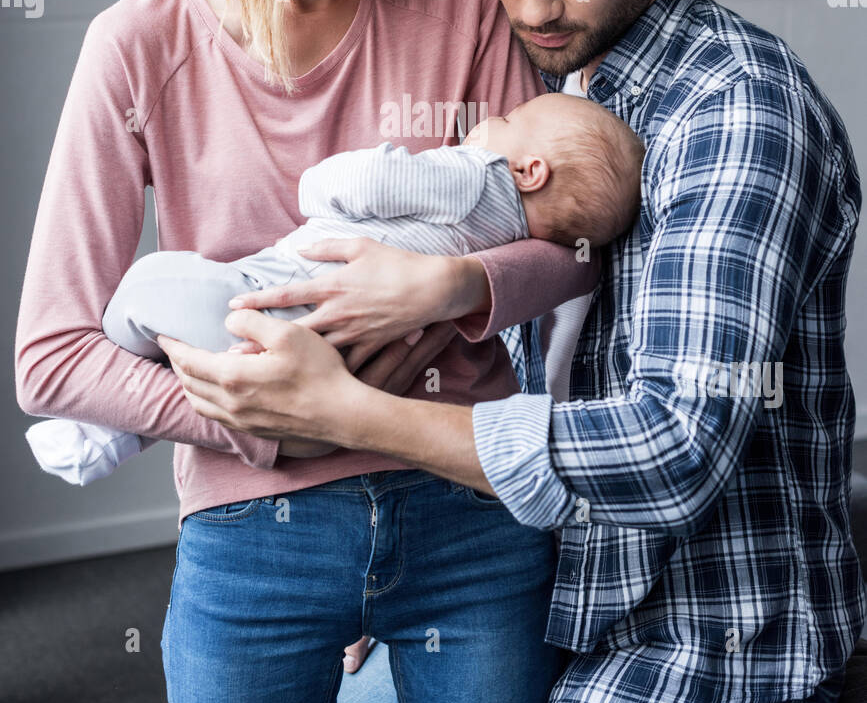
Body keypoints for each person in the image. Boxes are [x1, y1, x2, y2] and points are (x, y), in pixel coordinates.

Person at [158, 0, 865, 703]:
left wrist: (345, 416)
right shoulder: (544, 89)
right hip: (526, 607)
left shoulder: (740, 110)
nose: (531, 8)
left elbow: (675, 444)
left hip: (700, 666)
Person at [14, 0, 600, 703]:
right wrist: (260, 415)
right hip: (256, 543)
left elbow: (564, 245)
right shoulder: (137, 48)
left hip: (464, 514)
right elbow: (50, 357)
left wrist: (442, 290)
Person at [25, 93, 644, 485]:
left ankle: (110, 428)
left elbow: (375, 180)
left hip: (272, 299)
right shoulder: (506, 236)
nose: (487, 122)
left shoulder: (477, 177)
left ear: (529, 169)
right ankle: (117, 432)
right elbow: (573, 264)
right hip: (336, 354)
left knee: (146, 284)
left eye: (507, 120)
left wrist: (317, 186)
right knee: (200, 346)